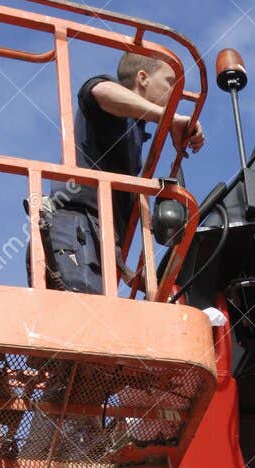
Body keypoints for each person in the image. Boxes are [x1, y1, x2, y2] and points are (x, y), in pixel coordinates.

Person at [42, 52, 204, 294]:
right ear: (143, 78)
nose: (177, 94)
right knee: (81, 319)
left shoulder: (135, 133)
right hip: (74, 227)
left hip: (92, 239)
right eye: (171, 82)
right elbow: (97, 91)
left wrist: (130, 274)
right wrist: (168, 118)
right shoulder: (113, 111)